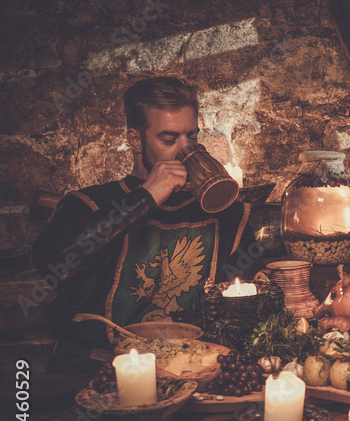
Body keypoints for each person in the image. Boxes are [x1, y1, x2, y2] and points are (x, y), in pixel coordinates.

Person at [32, 76, 255, 371]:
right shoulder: (90, 204)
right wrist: (146, 197)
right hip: (98, 373)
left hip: (192, 371)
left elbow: (245, 304)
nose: (186, 149)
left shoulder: (227, 214)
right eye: (169, 139)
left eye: (192, 136)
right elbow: (53, 263)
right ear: (135, 139)